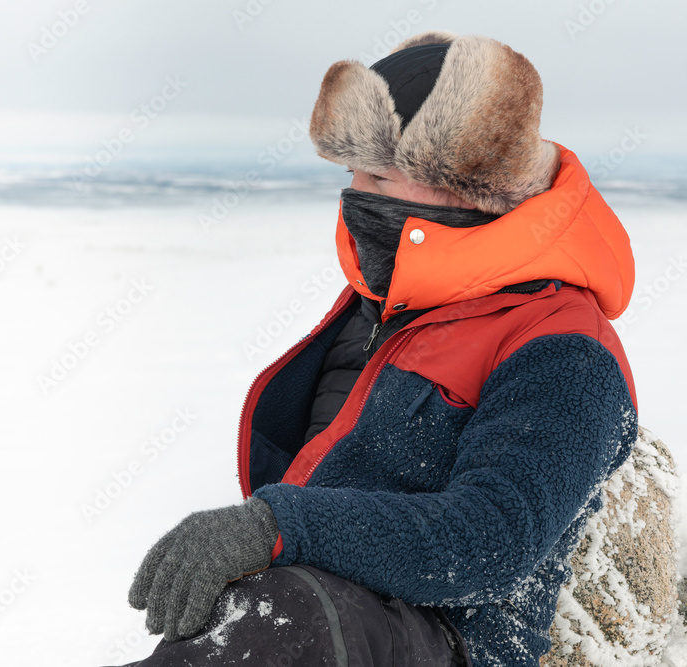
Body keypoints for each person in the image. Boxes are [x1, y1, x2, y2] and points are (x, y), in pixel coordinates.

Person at [108, 31, 638, 667]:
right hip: (314, 607)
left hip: (449, 641)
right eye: (350, 171)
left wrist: (278, 527)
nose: (355, 193)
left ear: (471, 186)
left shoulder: (565, 347)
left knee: (283, 619)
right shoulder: (388, 300)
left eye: (379, 174)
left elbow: (491, 542)